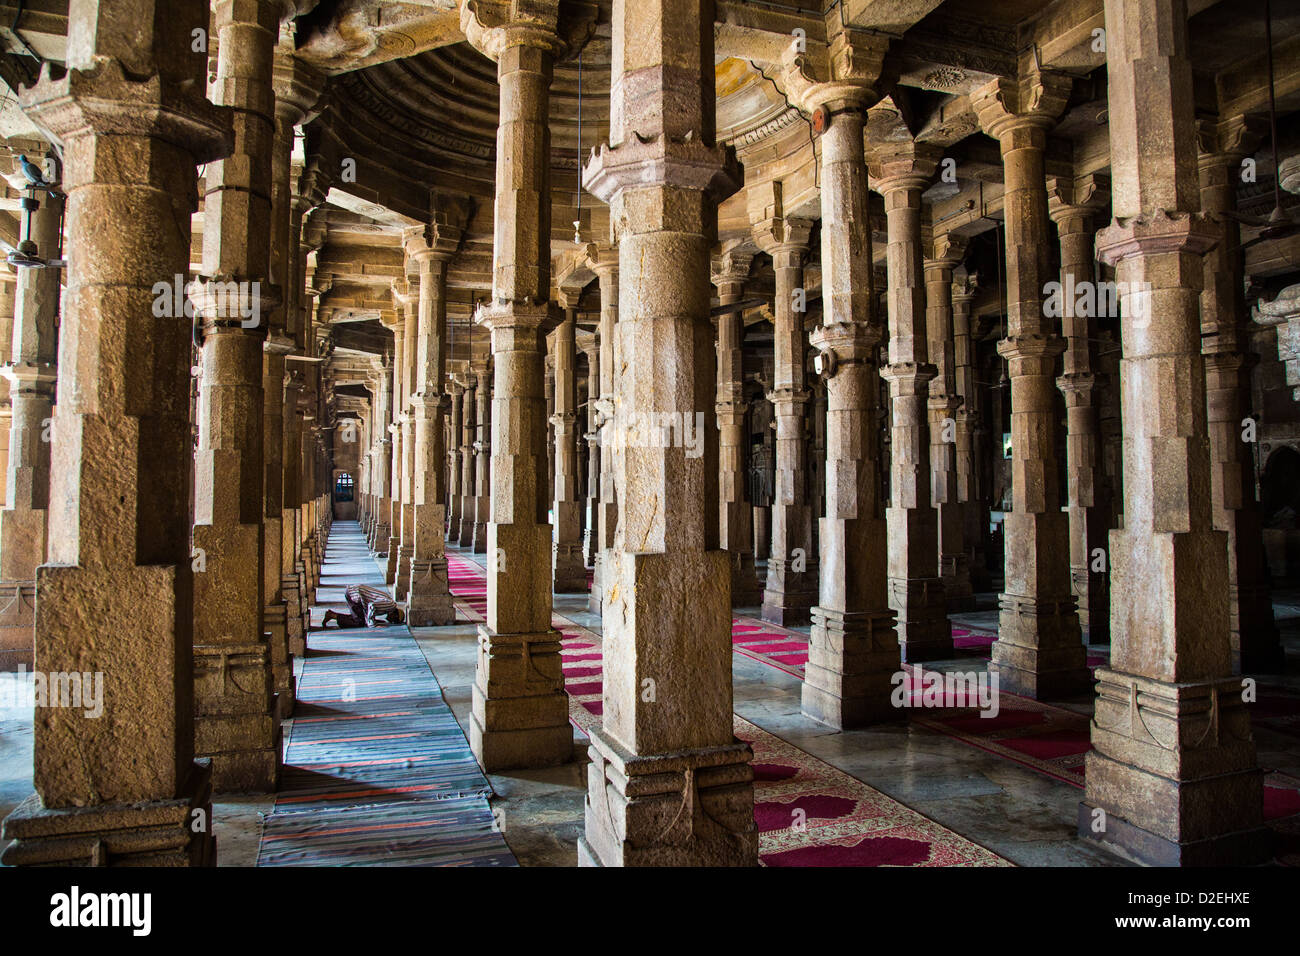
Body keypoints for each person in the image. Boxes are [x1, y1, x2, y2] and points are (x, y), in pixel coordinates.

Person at [319, 584, 406, 628]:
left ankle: (333, 614)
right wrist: (372, 625)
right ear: (395, 615)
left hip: (355, 592)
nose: (391, 621)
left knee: (360, 619)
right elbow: (372, 606)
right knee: (359, 622)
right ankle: (333, 615)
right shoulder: (390, 605)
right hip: (355, 593)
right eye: (394, 621)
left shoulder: (389, 604)